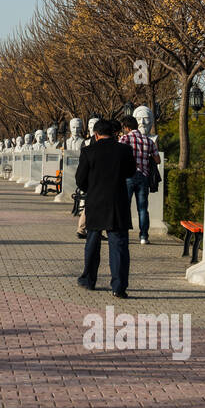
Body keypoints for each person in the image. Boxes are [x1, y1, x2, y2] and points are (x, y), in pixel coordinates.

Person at [75, 118, 136, 298]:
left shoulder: (88, 151)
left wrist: (92, 189)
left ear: (96, 134)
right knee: (118, 245)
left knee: (92, 242)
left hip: (95, 201)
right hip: (118, 201)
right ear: (114, 133)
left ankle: (89, 280)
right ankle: (119, 286)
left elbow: (80, 179)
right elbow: (131, 172)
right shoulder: (125, 150)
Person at [119, 115, 161, 245]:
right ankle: (143, 236)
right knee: (142, 208)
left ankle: (123, 233)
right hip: (143, 177)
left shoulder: (125, 139)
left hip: (128, 176)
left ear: (126, 127)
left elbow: (119, 156)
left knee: (124, 206)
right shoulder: (148, 141)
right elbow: (158, 159)